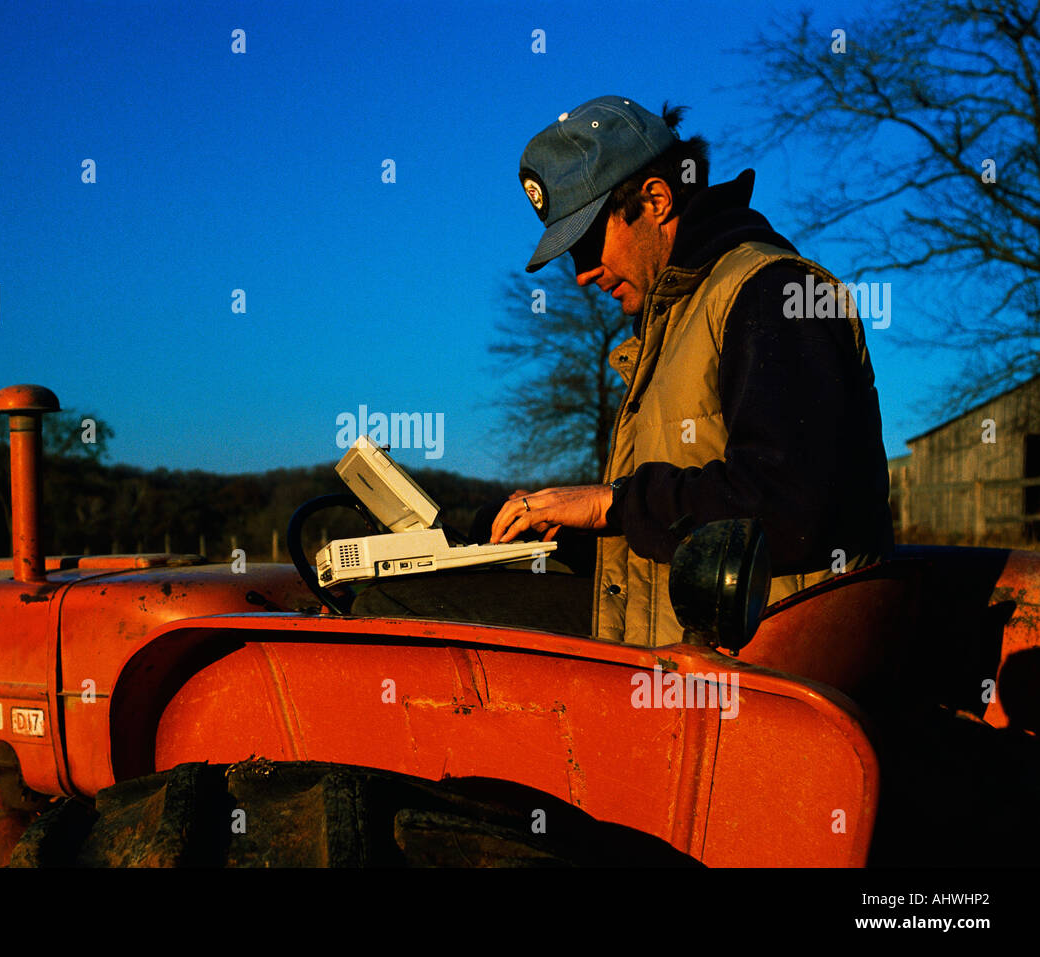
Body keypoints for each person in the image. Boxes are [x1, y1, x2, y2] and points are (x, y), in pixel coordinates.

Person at [355, 95, 894, 647]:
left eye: (587, 242)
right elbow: (681, 529)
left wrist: (611, 501)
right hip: (677, 632)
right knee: (430, 589)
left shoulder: (773, 295)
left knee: (391, 609)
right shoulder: (677, 320)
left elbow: (788, 504)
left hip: (756, 654)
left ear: (656, 199)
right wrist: (565, 528)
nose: (583, 274)